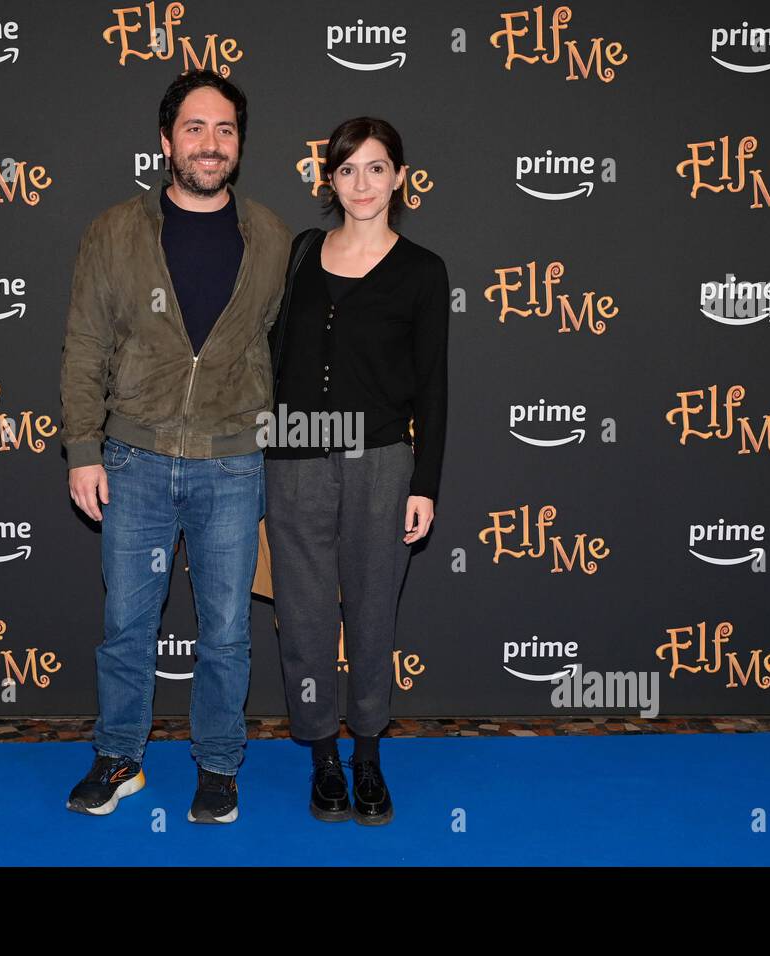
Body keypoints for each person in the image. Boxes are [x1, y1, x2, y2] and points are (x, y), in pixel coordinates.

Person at [59, 68, 292, 824]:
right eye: (195, 128)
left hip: (232, 460)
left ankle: (219, 765)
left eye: (225, 130)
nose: (210, 142)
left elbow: (280, 347)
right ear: (166, 141)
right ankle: (119, 755)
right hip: (133, 458)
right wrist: (83, 448)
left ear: (240, 145)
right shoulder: (113, 232)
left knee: (226, 630)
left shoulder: (272, 237)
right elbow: (86, 344)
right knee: (127, 623)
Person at [263, 117, 450, 825]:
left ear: (400, 177)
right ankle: (322, 759)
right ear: (329, 180)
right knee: (305, 620)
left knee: (374, 615)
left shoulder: (423, 271)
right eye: (347, 170)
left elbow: (433, 386)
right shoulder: (299, 256)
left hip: (381, 463)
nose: (362, 183)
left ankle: (367, 755)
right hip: (295, 459)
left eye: (377, 168)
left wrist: (425, 483)